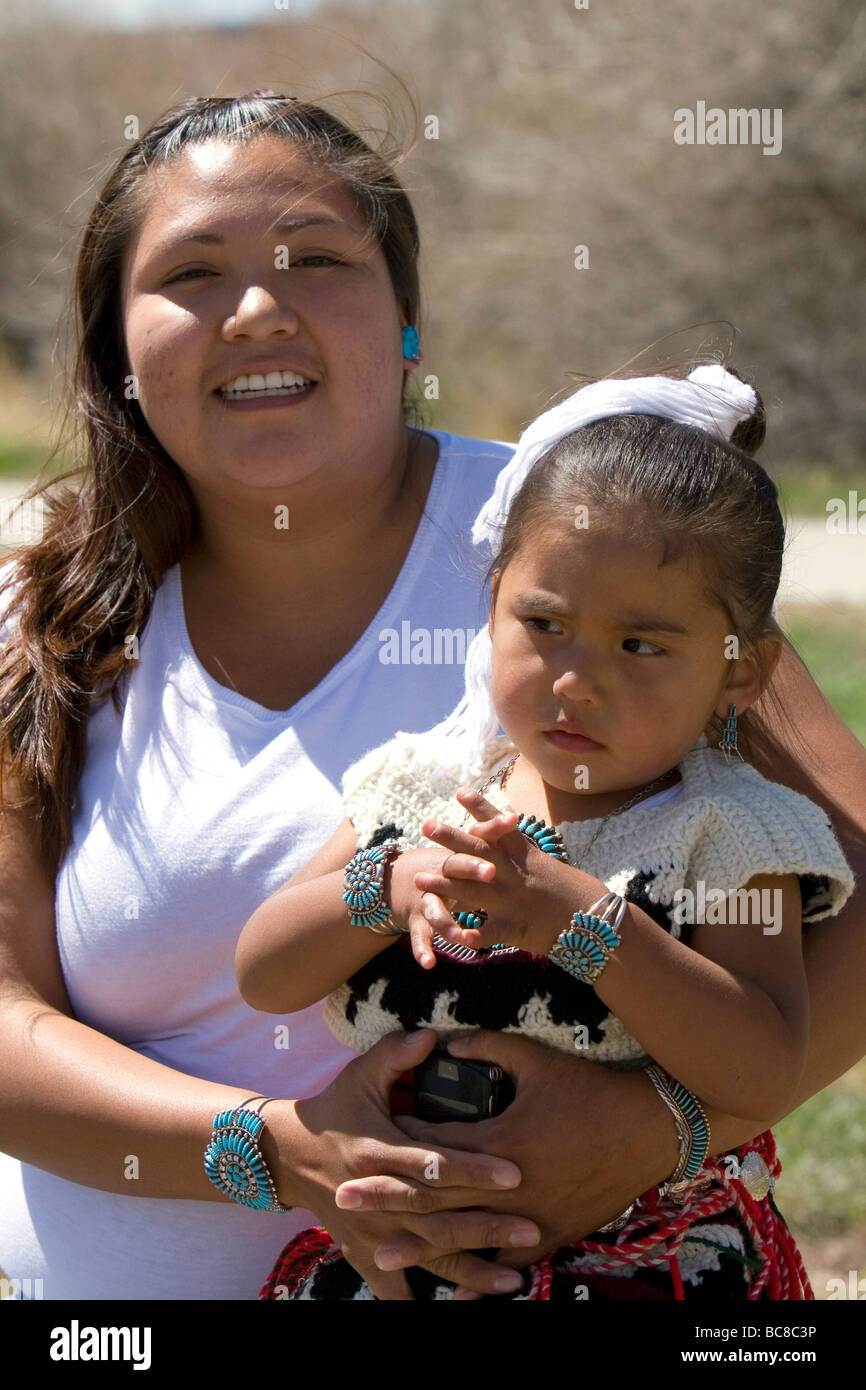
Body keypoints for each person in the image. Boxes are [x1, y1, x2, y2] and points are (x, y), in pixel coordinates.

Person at [0, 93, 864, 1303]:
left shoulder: (583, 541)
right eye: (192, 272)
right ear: (116, 351)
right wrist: (280, 1155)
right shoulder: (38, 610)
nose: (257, 309)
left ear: (408, 320)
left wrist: (652, 1128)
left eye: (315, 258)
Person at [237, 365, 853, 1299]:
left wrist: (586, 925)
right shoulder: (424, 791)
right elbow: (263, 973)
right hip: (400, 1257)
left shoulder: (734, 834)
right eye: (546, 623)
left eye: (641, 645)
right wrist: (388, 885)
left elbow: (763, 1068)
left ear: (741, 671)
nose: (577, 679)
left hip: (656, 1264)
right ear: (491, 608)